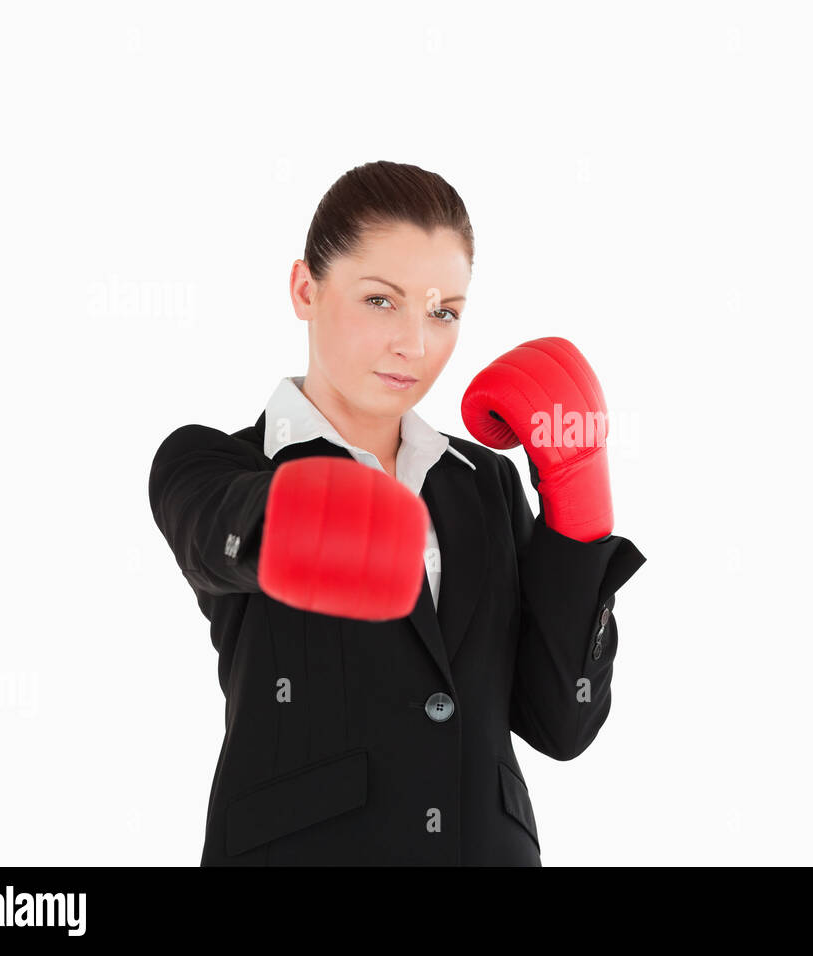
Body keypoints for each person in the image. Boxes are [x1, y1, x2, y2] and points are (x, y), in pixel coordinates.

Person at [147, 160, 647, 865]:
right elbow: (222, 531)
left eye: (443, 312)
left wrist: (579, 510)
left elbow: (563, 722)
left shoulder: (488, 485)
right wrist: (329, 522)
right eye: (381, 300)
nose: (415, 343)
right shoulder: (217, 464)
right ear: (305, 288)